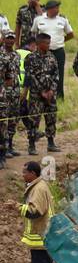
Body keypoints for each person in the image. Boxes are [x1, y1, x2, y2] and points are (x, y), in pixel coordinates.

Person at [19, 160, 54, 263]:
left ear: (33, 173)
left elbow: (35, 212)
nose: (22, 175)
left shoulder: (39, 188)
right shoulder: (36, 186)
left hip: (42, 233)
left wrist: (18, 207)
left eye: (24, 172)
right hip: (38, 234)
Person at [22, 33, 59, 154]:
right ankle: (32, 145)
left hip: (50, 95)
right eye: (46, 43)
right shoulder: (30, 58)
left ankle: (51, 143)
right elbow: (30, 77)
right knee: (34, 120)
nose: (48, 45)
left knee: (51, 118)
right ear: (39, 44)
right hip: (36, 96)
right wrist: (41, 92)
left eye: (49, 43)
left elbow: (56, 75)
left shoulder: (52, 57)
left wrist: (51, 90)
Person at [31, 0, 73, 99]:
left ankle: (59, 97)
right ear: (49, 9)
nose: (58, 10)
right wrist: (36, 45)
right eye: (56, 8)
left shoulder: (63, 20)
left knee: (59, 74)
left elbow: (70, 34)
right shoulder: (38, 20)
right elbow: (33, 33)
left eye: (58, 8)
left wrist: (61, 40)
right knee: (42, 73)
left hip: (58, 51)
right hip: (43, 52)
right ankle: (43, 95)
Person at [0, 28, 22, 162]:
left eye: (12, 38)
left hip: (15, 91)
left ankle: (11, 145)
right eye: (8, 38)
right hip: (3, 93)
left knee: (14, 118)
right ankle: (4, 147)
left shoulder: (16, 55)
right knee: (3, 121)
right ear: (3, 39)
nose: (10, 41)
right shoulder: (1, 55)